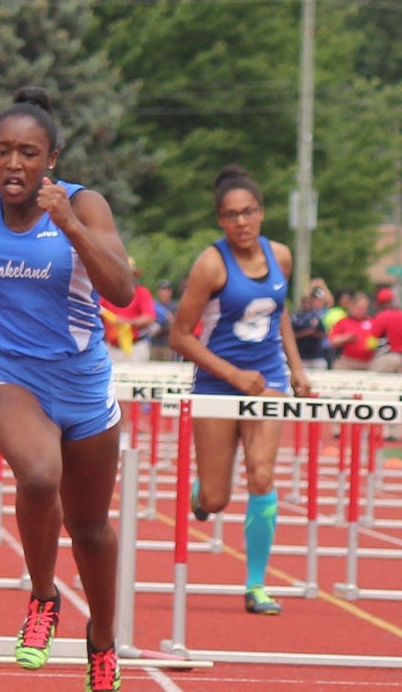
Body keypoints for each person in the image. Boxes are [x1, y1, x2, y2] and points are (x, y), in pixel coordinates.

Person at [0, 87, 132, 692]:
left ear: (51, 159)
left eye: (28, 153)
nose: (14, 164)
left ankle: (103, 641)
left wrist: (70, 226)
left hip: (85, 385)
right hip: (13, 375)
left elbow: (121, 291)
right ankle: (43, 599)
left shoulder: (84, 206)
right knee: (38, 475)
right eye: (3, 151)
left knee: (90, 530)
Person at [169, 164, 311, 618]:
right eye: (232, 215)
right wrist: (233, 376)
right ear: (220, 220)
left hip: (267, 381)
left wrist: (296, 370)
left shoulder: (281, 256)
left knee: (262, 473)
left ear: (262, 212)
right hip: (218, 382)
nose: (242, 222)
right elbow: (180, 336)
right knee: (217, 498)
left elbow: (278, 312)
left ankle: (256, 584)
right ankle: (201, 494)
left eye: (249, 212)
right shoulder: (211, 264)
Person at [99, 257, 156, 364]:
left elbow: (149, 317)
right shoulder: (106, 294)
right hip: (112, 348)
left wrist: (129, 322)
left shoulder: (141, 292)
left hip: (136, 347)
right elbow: (96, 313)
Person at [327, 292, 377, 371]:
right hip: (347, 362)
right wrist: (346, 338)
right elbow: (332, 341)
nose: (363, 311)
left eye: (365, 307)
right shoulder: (343, 322)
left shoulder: (372, 322)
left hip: (368, 362)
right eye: (360, 308)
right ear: (352, 306)